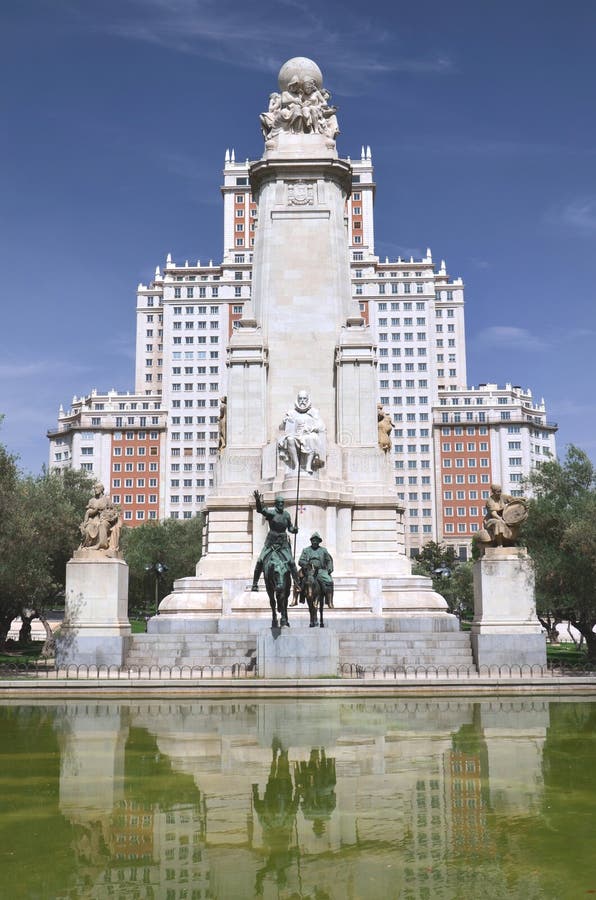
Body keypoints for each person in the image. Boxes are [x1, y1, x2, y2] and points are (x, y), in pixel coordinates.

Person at [251, 491, 299, 592]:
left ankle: (297, 583)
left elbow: (289, 528)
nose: (281, 505)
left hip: (283, 543)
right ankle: (255, 583)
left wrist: (293, 530)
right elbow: (260, 510)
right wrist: (258, 500)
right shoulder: (271, 513)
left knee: (291, 562)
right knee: (260, 560)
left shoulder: (286, 515)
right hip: (271, 543)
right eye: (279, 503)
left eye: (283, 503)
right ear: (276, 504)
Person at [278, 390, 326, 475]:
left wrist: (311, 428)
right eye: (300, 399)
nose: (302, 401)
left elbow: (322, 426)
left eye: (304, 398)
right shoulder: (291, 413)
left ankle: (308, 465)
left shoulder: (314, 412)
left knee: (312, 438)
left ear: (308, 399)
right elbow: (281, 428)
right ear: (297, 400)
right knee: (289, 439)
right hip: (295, 435)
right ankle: (296, 465)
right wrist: (284, 422)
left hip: (308, 434)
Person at [479, 483, 527, 547]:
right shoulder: (490, 501)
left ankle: (513, 542)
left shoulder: (502, 496)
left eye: (500, 491)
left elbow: (512, 499)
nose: (499, 493)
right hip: (491, 519)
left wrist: (522, 499)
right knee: (498, 523)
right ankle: (500, 544)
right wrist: (501, 520)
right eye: (497, 492)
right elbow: (493, 514)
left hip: (504, 517)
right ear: (493, 492)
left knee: (515, 523)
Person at [79, 482, 121, 553]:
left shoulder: (107, 500)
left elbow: (113, 512)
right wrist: (95, 510)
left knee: (102, 525)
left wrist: (112, 517)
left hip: (105, 520)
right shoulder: (91, 500)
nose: (95, 490)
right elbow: (89, 513)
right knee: (88, 528)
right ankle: (86, 546)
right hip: (93, 520)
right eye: (94, 488)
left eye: (97, 488)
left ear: (102, 489)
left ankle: (102, 545)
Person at [298, 532, 334, 608]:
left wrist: (330, 568)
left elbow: (328, 560)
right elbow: (300, 561)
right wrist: (307, 565)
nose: (314, 542)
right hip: (309, 570)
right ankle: (298, 598)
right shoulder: (306, 550)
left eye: (316, 540)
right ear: (311, 541)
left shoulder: (323, 550)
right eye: (313, 540)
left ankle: (329, 601)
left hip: (320, 570)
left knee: (329, 581)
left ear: (319, 541)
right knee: (298, 580)